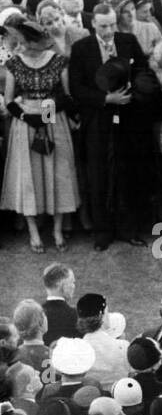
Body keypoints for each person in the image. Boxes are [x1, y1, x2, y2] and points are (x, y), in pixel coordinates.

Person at [65, 2, 156, 251]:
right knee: (99, 175)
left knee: (127, 174)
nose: (108, 30)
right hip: (97, 122)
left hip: (128, 120)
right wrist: (106, 99)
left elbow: (143, 72)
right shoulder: (81, 48)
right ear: (93, 24)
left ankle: (129, 229)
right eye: (103, 26)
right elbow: (77, 88)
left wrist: (133, 92)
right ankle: (102, 232)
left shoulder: (128, 41)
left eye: (112, 25)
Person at [3, 17, 79, 253]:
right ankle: (33, 230)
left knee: (58, 173)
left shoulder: (58, 61)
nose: (24, 46)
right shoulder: (15, 64)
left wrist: (45, 115)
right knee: (28, 176)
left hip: (53, 120)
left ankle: (57, 228)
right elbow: (9, 101)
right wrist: (27, 117)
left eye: (26, 41)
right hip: (24, 124)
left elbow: (66, 96)